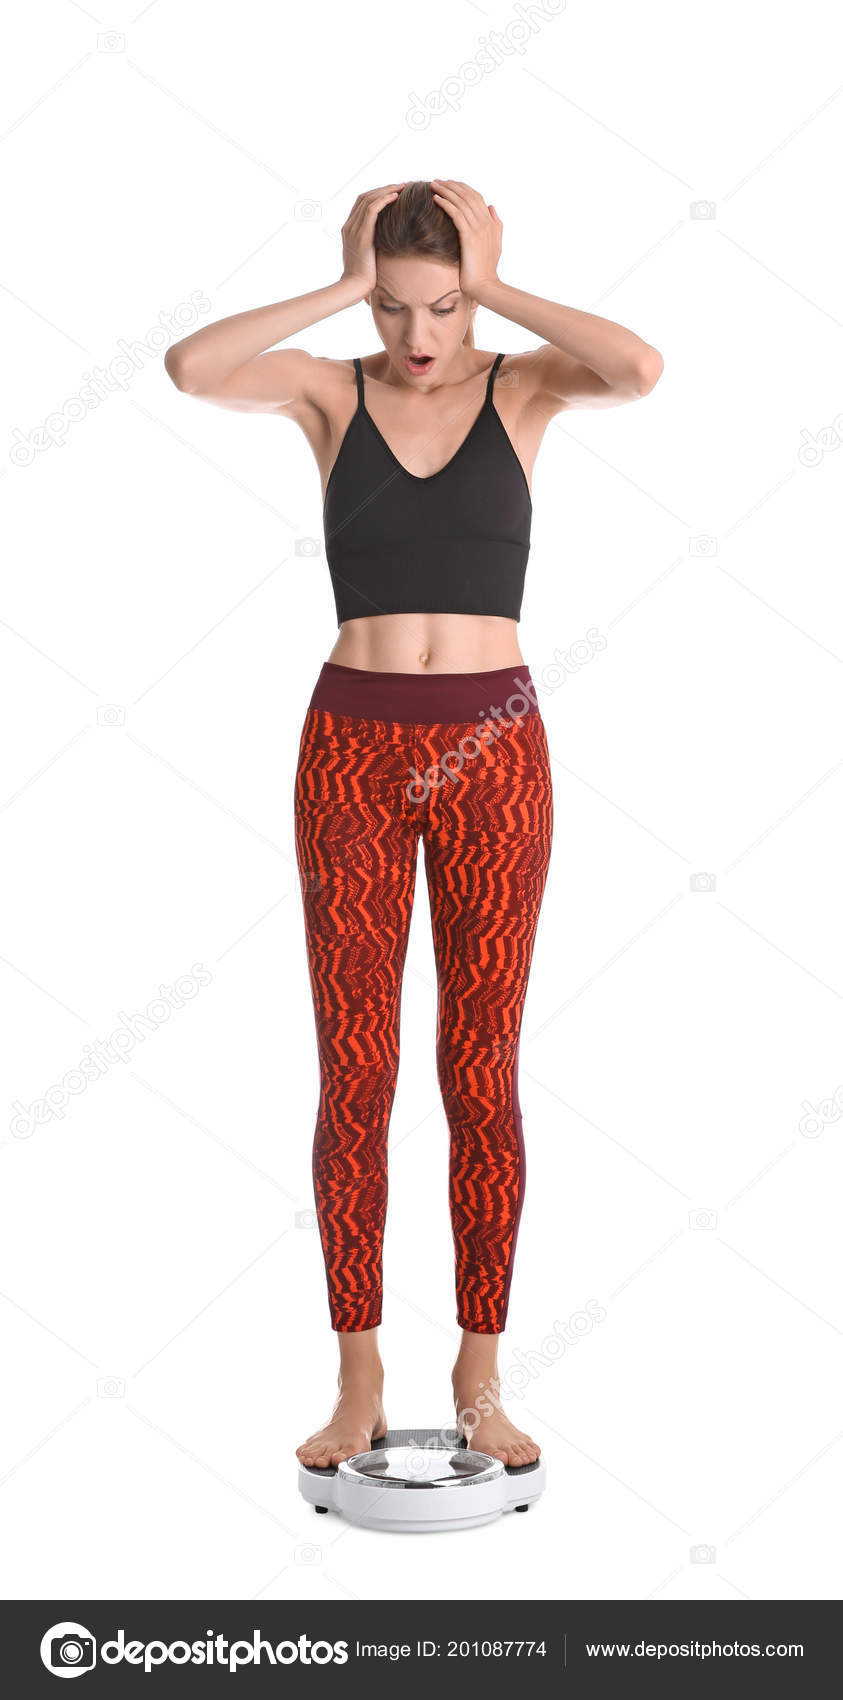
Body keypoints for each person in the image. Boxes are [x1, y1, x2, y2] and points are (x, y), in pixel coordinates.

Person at [164, 178, 663, 1469]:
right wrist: (342, 281)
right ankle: (358, 1376)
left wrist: (491, 284)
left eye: (440, 307)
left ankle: (484, 1378)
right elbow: (191, 365)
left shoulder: (526, 384)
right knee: (357, 1072)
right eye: (396, 309)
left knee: (480, 1068)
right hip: (352, 745)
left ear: (474, 292)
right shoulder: (333, 392)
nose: (418, 335)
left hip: (496, 745)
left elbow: (641, 365)